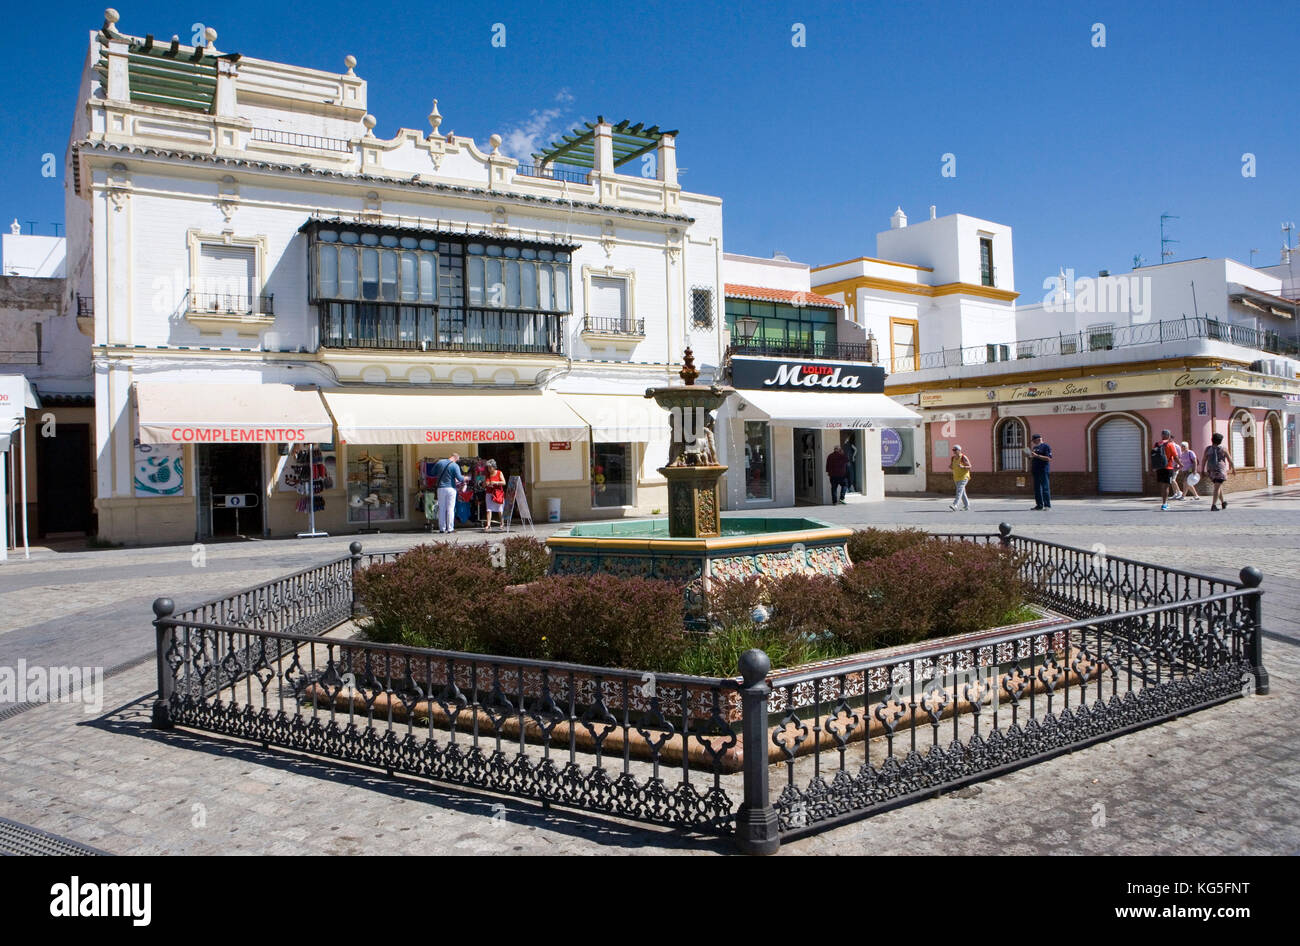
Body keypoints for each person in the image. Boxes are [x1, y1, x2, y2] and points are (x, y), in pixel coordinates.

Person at [431, 452, 464, 534]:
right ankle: (450, 528)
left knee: (441, 508)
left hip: (440, 488)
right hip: (451, 488)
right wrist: (465, 477)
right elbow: (460, 479)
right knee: (450, 509)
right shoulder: (455, 465)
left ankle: (442, 528)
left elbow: (432, 473)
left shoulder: (440, 462)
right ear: (456, 458)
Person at [1202, 432, 1234, 511]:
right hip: (1220, 471)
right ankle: (1214, 505)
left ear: (1212, 440)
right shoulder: (1223, 449)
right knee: (1217, 487)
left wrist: (1202, 470)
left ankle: (1223, 502)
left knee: (1217, 486)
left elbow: (1204, 460)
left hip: (1211, 470)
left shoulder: (1208, 449)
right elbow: (1230, 460)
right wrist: (1233, 468)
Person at [1155, 429, 1181, 511]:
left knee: (1162, 485)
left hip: (1159, 467)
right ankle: (1164, 504)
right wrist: (1180, 464)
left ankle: (1164, 502)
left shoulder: (1157, 444)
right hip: (1168, 468)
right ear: (1169, 436)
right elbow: (1175, 457)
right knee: (1166, 486)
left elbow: (1153, 455)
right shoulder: (1170, 445)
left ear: (1162, 435)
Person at [1025, 433, 1052, 509]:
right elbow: (1033, 458)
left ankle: (1047, 505)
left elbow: (1048, 458)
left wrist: (1037, 456)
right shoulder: (1034, 448)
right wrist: (1029, 456)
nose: (1033, 442)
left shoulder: (1046, 447)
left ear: (1039, 439)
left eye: (1034, 440)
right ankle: (1039, 505)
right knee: (1037, 488)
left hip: (1043, 470)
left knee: (1045, 488)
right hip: (1035, 470)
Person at [482, 459, 506, 531]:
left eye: (490, 467)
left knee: (500, 509)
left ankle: (502, 523)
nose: (489, 469)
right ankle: (488, 525)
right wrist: (485, 484)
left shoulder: (499, 473)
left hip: (497, 493)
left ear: (494, 467)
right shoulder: (487, 474)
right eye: (488, 468)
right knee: (489, 509)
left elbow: (504, 482)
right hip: (489, 493)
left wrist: (496, 482)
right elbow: (483, 485)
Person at [949, 444, 972, 511]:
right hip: (956, 477)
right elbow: (951, 466)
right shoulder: (953, 458)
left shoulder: (963, 457)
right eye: (953, 450)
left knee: (959, 491)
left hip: (964, 477)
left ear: (959, 450)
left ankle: (955, 505)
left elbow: (970, 466)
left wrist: (963, 467)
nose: (954, 451)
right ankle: (966, 506)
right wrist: (950, 467)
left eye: (955, 450)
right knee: (962, 492)